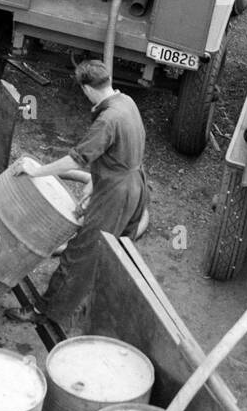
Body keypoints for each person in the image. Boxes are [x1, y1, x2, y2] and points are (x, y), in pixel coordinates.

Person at [10, 59, 149, 329]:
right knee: (118, 252)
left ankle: (43, 310)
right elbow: (118, 152)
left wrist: (35, 171)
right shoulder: (127, 102)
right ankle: (102, 306)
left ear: (87, 88)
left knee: (79, 255)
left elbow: (75, 160)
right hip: (135, 186)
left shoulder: (107, 119)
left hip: (116, 195)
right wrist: (95, 182)